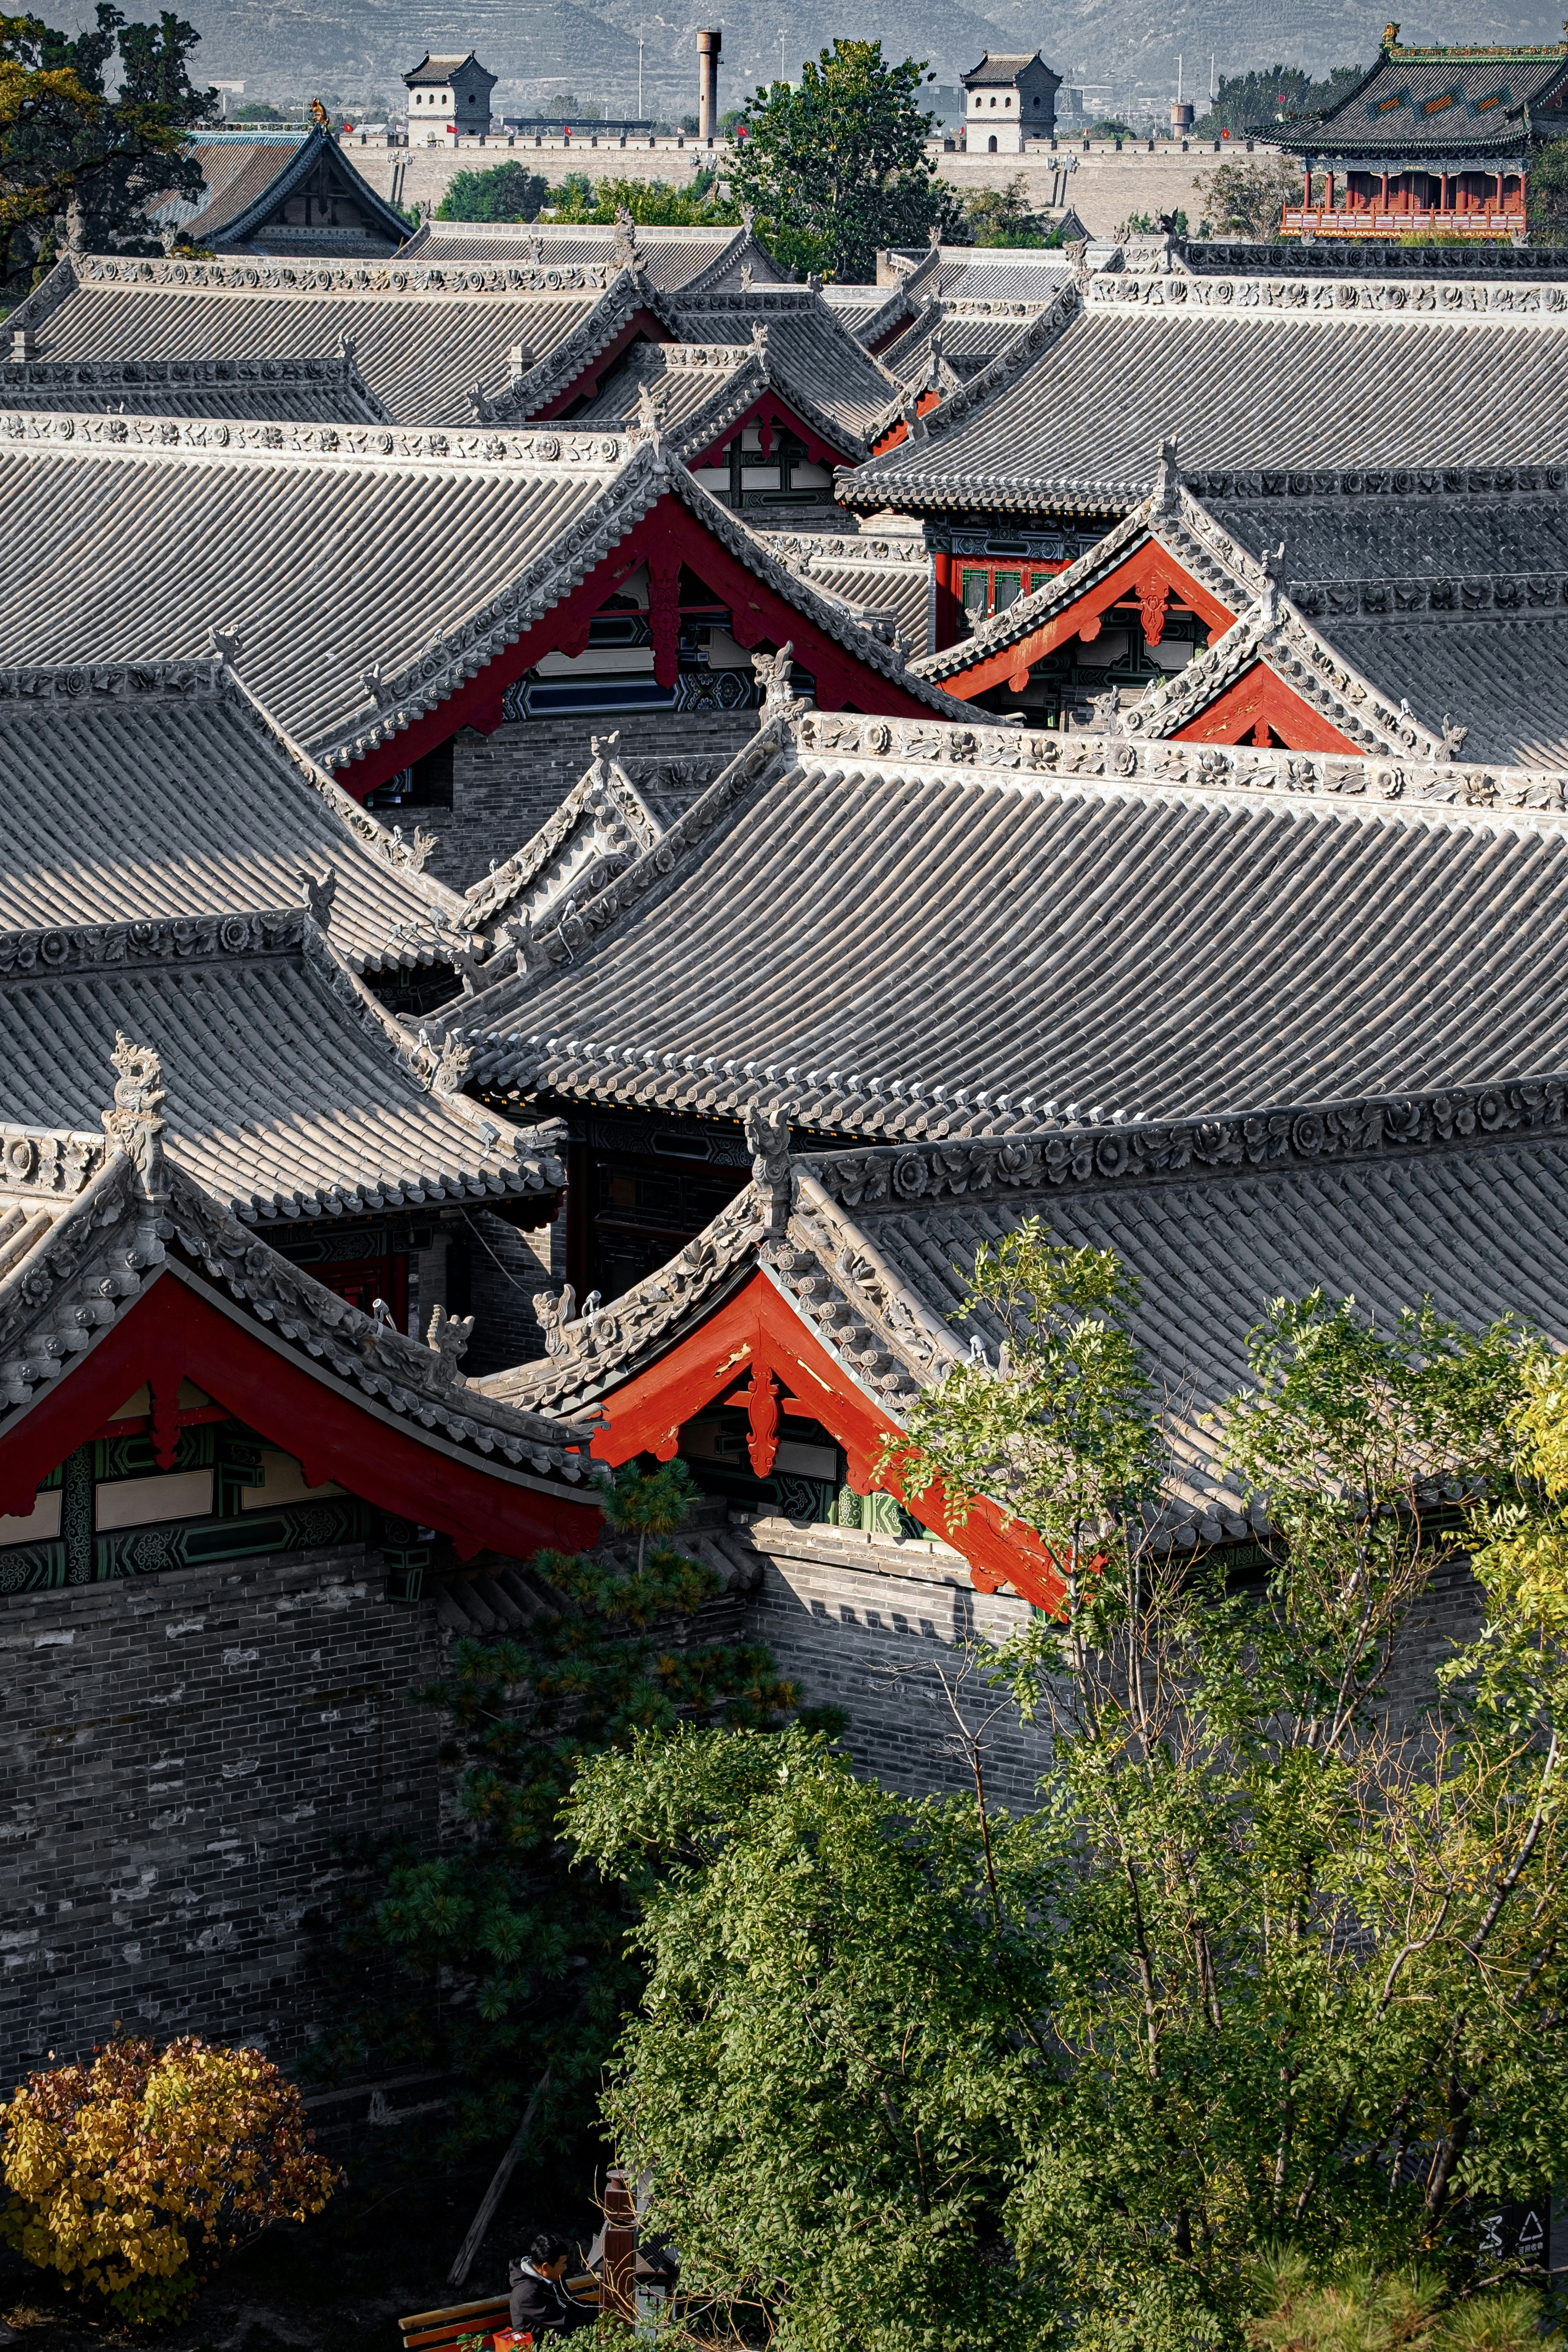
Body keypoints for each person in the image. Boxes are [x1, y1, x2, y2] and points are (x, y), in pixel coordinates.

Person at [508, 2232, 596, 2338]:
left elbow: (570, 2304)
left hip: (561, 2333)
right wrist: (601, 2316)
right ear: (546, 2267)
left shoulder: (551, 2275)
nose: (565, 2268)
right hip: (541, 2345)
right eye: (563, 2263)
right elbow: (564, 2321)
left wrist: (602, 2308)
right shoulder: (527, 2295)